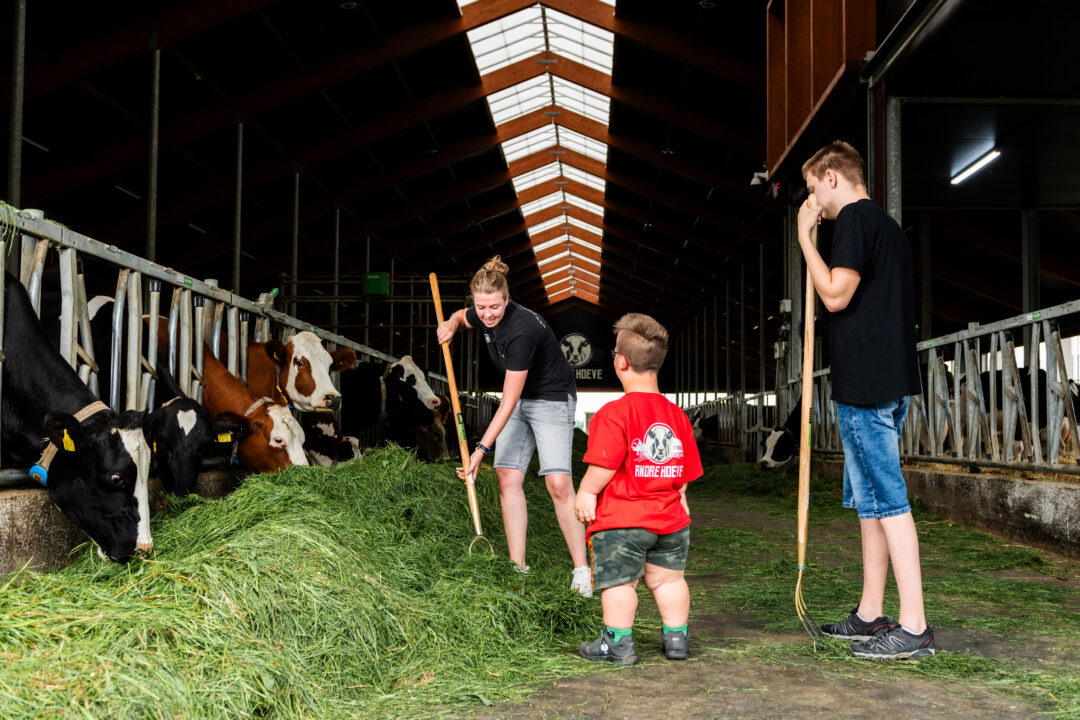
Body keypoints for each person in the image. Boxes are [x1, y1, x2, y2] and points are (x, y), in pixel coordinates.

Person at [798, 140, 934, 660]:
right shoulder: (888, 227)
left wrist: (806, 241)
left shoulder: (853, 219)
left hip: (866, 388)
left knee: (890, 504)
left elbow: (834, 294)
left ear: (832, 176)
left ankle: (915, 627)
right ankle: (871, 614)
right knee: (872, 507)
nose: (817, 204)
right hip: (889, 383)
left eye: (814, 190)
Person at [436, 256, 591, 596]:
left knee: (558, 483)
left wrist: (479, 450)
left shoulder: (523, 329)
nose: (488, 314)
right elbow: (463, 317)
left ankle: (582, 570)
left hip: (550, 398)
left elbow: (506, 402)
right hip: (519, 400)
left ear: (507, 300)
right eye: (482, 307)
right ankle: (517, 567)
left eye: (495, 306)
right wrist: (450, 322)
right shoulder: (478, 313)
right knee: (508, 476)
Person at [573, 313, 702, 665]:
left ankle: (617, 643)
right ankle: (677, 639)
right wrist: (683, 498)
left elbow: (603, 464)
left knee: (620, 584)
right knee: (669, 581)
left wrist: (585, 492)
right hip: (671, 521)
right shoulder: (677, 416)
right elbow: (683, 469)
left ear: (620, 361)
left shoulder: (614, 413)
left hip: (623, 523)